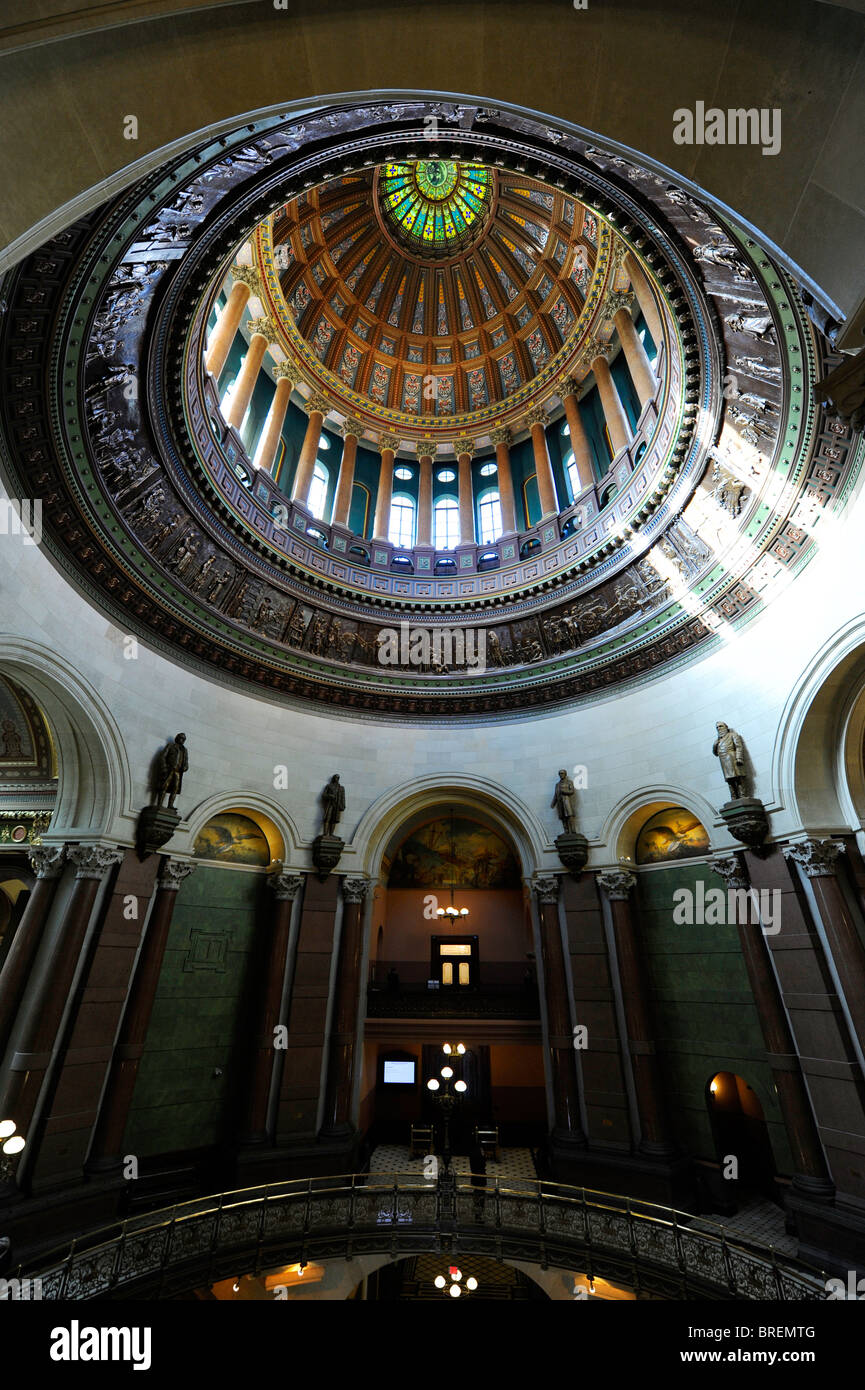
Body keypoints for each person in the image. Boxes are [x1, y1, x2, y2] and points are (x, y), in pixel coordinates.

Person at [468, 1137, 487, 1222]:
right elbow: (483, 1163)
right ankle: (478, 1215)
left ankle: (477, 1214)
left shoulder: (472, 1152)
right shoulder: (480, 1153)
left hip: (475, 1177)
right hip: (481, 1177)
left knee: (476, 1195)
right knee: (481, 1196)